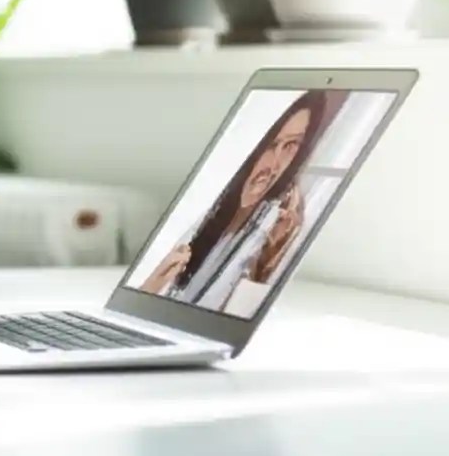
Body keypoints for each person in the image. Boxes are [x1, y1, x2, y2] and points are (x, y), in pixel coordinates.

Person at [140, 91, 331, 308]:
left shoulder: (280, 220)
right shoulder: (210, 208)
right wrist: (154, 284)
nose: (275, 164)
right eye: (270, 145)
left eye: (290, 145)